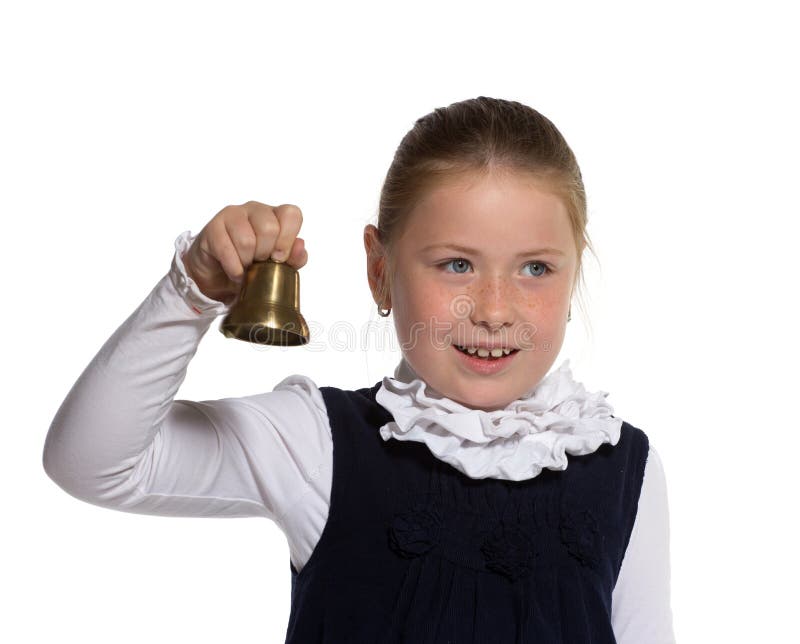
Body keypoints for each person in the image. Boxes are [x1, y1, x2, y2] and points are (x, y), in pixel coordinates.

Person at [43, 96, 675, 643]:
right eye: (456, 264)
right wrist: (191, 294)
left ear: (574, 273)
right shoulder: (318, 444)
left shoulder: (624, 469)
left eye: (535, 268)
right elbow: (94, 463)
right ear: (380, 270)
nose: (493, 310)